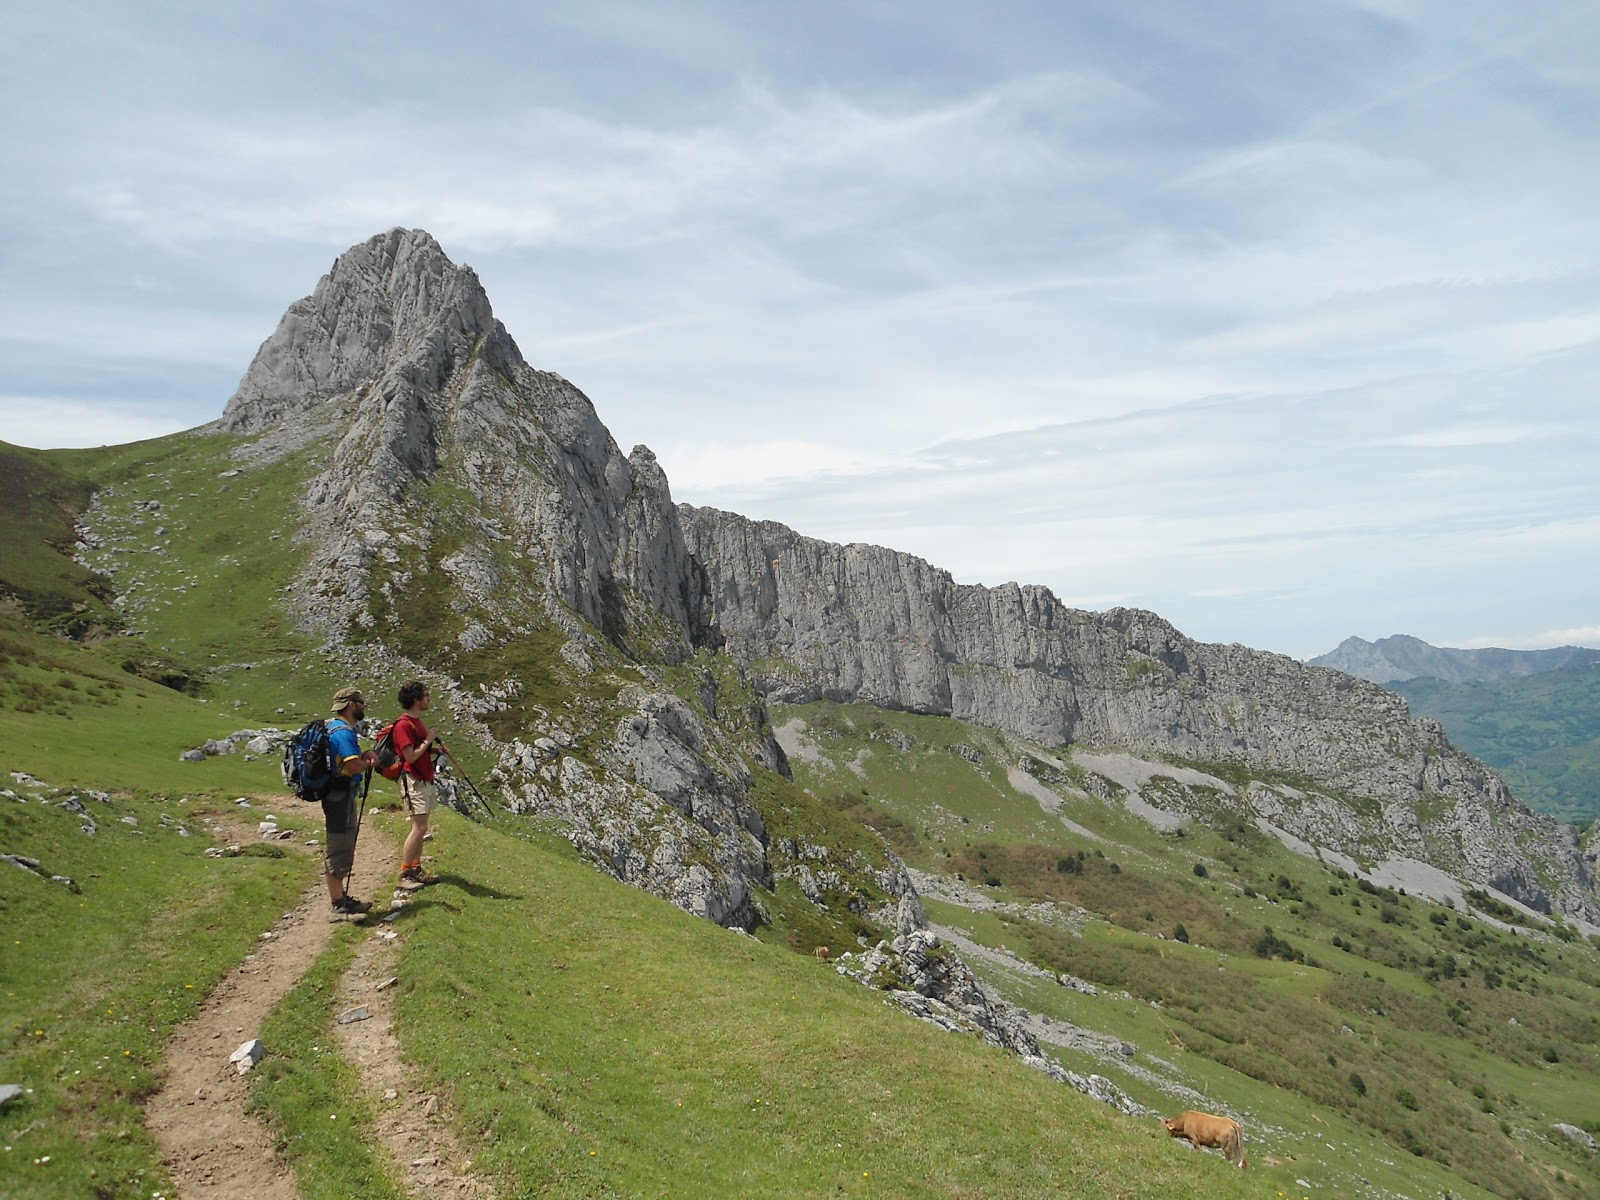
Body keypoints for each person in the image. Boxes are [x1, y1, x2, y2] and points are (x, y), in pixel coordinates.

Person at [325, 685, 378, 917]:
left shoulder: (334, 728)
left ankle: (340, 898)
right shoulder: (343, 732)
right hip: (340, 794)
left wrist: (363, 755)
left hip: (335, 792)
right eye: (361, 703)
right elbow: (353, 765)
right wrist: (368, 762)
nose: (364, 706)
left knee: (341, 840)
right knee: (340, 843)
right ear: (352, 705)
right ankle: (338, 903)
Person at [391, 680, 443, 888]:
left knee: (421, 828)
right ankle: (405, 874)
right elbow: (410, 756)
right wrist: (428, 741)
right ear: (416, 699)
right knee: (419, 828)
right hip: (414, 780)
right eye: (426, 695)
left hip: (423, 778)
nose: (429, 699)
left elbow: (418, 751)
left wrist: (433, 749)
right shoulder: (403, 725)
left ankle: (416, 868)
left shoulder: (416, 722)